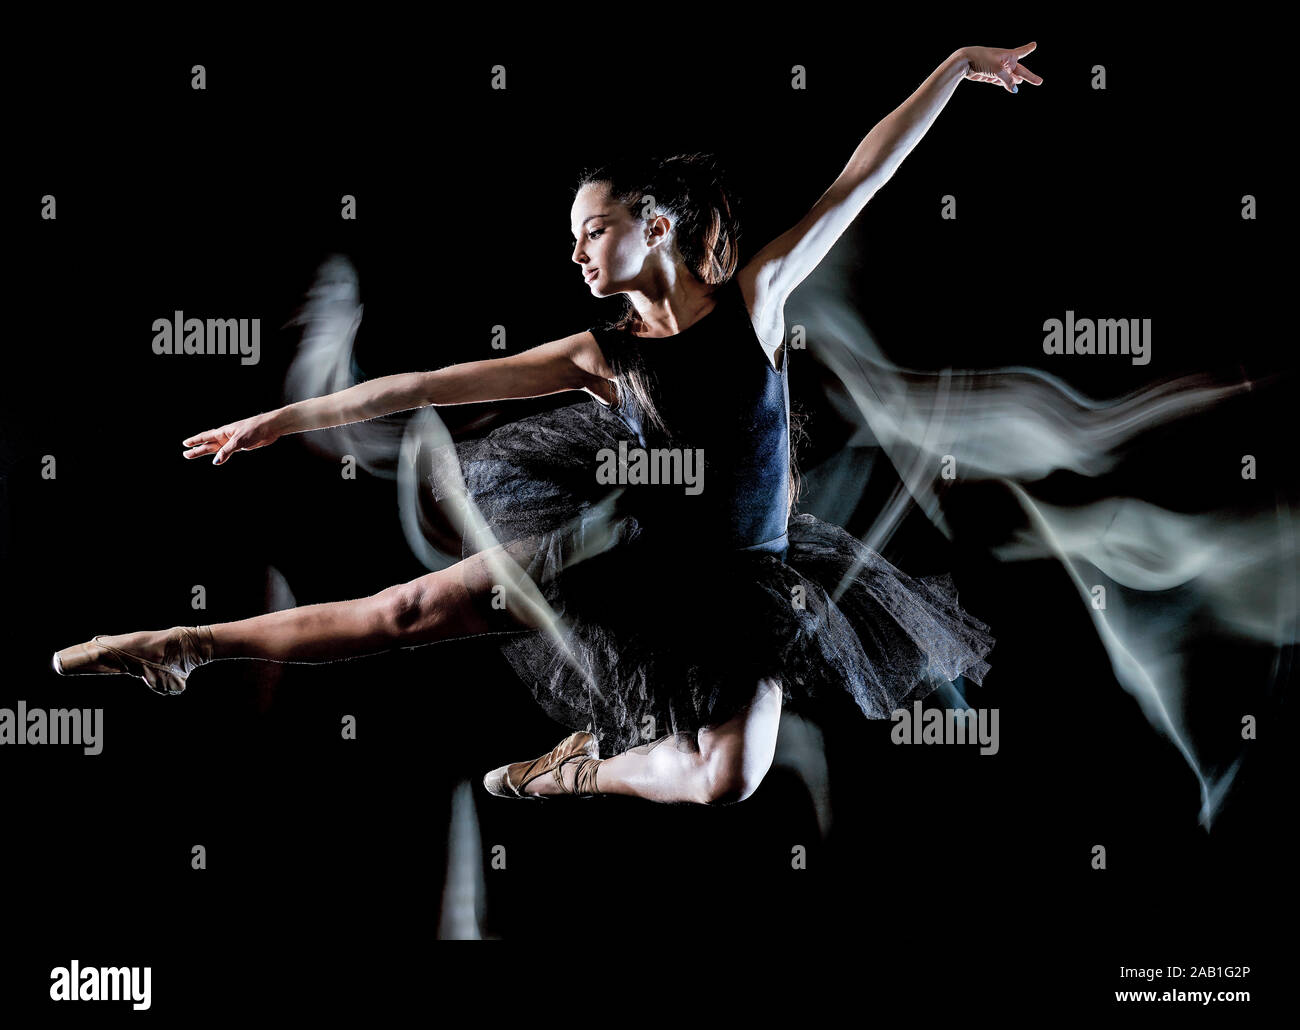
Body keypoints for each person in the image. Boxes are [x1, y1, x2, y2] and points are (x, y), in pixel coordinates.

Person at [54, 43, 1040, 804]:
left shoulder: (755, 301)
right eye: (569, 240)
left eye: (591, 232)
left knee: (726, 779)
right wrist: (281, 417)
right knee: (401, 612)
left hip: (754, 585)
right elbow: (426, 383)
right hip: (639, 570)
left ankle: (560, 776)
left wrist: (954, 66)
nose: (575, 254)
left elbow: (857, 179)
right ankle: (181, 642)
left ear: (652, 227)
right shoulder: (601, 354)